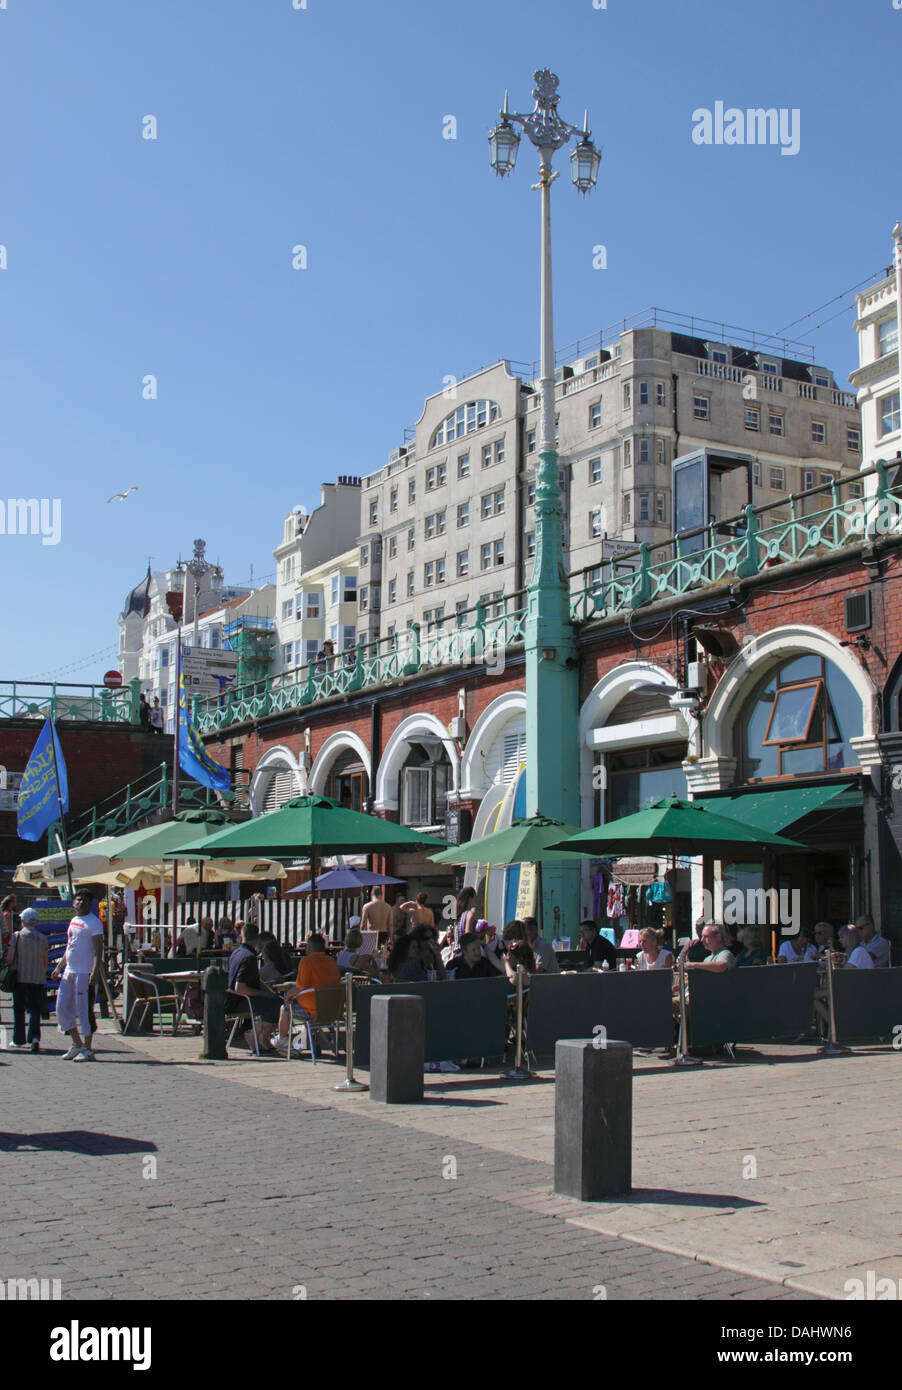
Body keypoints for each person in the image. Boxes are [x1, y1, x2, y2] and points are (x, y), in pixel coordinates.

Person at [52, 889, 105, 1061]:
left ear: (90, 903)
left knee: (83, 1011)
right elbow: (70, 946)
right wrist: (59, 967)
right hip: (69, 972)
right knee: (61, 1008)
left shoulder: (94, 923)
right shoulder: (74, 920)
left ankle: (88, 1049)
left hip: (84, 972)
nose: (80, 902)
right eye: (78, 899)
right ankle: (76, 1043)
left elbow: (98, 950)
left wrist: (95, 972)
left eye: (84, 900)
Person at [275, 932, 341, 1049]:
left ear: (309, 947)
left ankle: (281, 1040)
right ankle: (303, 1043)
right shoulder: (332, 961)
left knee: (284, 1008)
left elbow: (301, 986)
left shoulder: (306, 961)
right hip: (333, 1010)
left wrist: (287, 996)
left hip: (313, 1010)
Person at [227, 922, 282, 1053]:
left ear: (241, 937)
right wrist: (262, 994)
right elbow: (239, 988)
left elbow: (253, 980)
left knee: (275, 1001)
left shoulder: (236, 953)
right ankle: (254, 1036)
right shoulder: (249, 958)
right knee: (279, 1006)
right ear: (258, 939)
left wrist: (267, 992)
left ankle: (262, 1039)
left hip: (231, 1000)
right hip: (241, 1001)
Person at [6, 907, 49, 1051]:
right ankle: (34, 1038)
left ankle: (18, 1039)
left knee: (18, 1009)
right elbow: (45, 961)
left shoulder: (16, 936)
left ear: (23, 920)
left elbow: (10, 957)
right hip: (37, 978)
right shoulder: (43, 938)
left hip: (20, 978)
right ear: (36, 921)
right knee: (34, 1009)